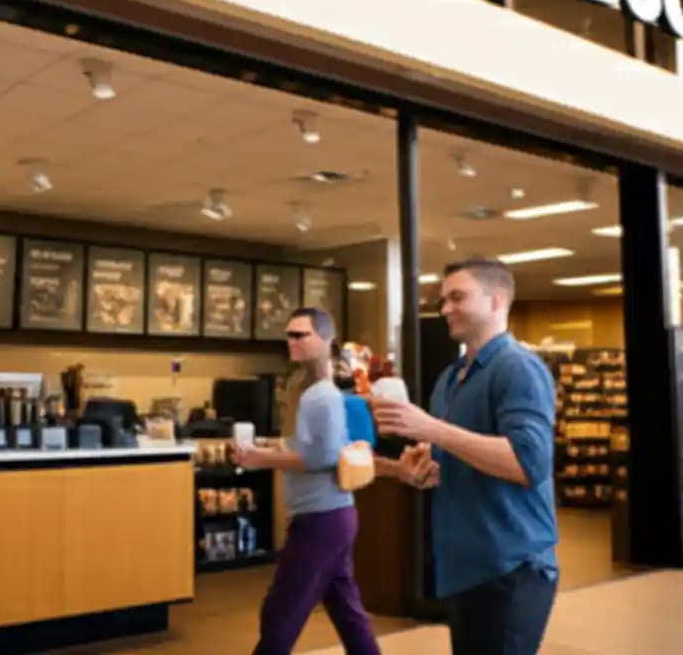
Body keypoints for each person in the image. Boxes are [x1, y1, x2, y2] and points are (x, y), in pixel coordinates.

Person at [370, 258, 559, 655]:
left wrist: (430, 428)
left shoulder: (518, 368)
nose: (445, 309)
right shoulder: (450, 379)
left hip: (510, 564)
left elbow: (528, 464)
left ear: (496, 300)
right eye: (443, 300)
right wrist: (423, 467)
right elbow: (461, 455)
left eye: (458, 297)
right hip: (465, 566)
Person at [232, 307, 381, 655]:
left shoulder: (320, 396)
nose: (292, 341)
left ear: (326, 339)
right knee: (346, 612)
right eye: (289, 335)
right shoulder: (312, 391)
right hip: (331, 515)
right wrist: (268, 447)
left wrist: (260, 459)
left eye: (301, 335)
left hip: (321, 518)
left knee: (281, 612)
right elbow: (309, 446)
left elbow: (321, 458)